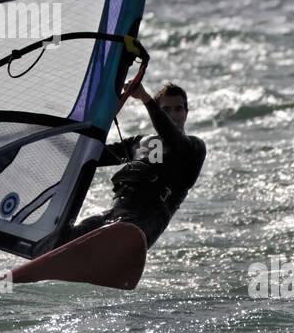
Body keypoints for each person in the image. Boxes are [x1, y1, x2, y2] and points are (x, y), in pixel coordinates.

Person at [65, 81, 206, 250]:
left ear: (186, 113)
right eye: (165, 110)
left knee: (119, 231)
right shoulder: (139, 143)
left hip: (147, 219)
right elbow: (91, 156)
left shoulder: (193, 147)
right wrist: (62, 132)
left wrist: (145, 98)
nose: (173, 114)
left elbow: (171, 135)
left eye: (178, 109)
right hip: (115, 212)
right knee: (67, 236)